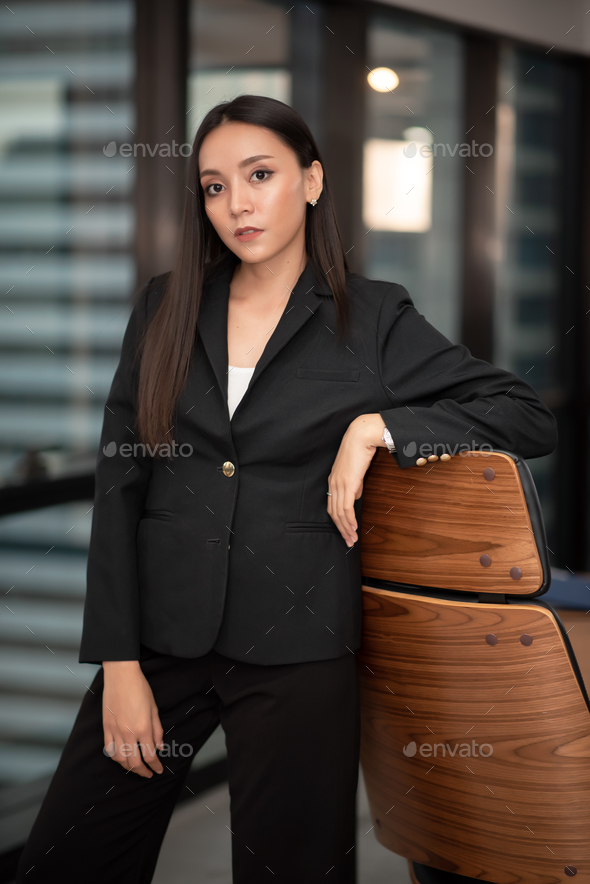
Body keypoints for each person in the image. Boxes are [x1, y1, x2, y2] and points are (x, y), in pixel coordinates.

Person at [16, 94, 558, 884]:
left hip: (300, 648)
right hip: (160, 640)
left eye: (259, 175)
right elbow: (119, 485)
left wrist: (380, 426)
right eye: (214, 186)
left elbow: (524, 413)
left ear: (311, 181)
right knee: (65, 860)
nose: (236, 203)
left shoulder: (372, 317)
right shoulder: (165, 305)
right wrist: (119, 665)